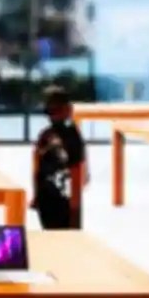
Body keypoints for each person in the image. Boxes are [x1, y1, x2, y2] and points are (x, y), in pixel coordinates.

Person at [32, 87, 86, 230]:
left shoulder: (72, 136)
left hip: (65, 200)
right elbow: (37, 166)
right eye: (50, 111)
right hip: (46, 198)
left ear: (68, 109)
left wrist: (75, 207)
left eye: (57, 110)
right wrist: (36, 195)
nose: (53, 115)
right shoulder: (45, 135)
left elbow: (77, 171)